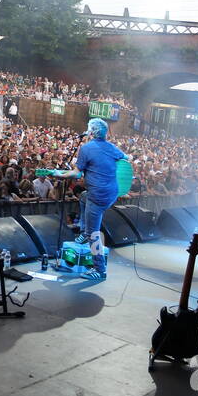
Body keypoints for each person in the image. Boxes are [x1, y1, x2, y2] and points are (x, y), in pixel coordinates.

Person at [74, 117, 128, 281]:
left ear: (91, 132)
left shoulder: (87, 148)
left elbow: (76, 173)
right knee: (83, 197)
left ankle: (99, 269)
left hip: (97, 196)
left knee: (94, 233)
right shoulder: (111, 147)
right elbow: (126, 159)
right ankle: (84, 232)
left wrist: (57, 173)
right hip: (111, 193)